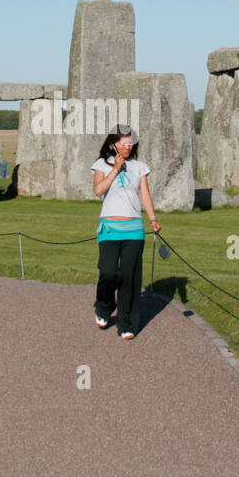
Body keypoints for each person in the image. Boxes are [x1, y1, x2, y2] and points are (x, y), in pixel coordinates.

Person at [91, 125, 161, 340]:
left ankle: (126, 323)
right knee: (109, 272)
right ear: (113, 144)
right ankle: (104, 306)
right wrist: (115, 168)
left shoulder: (140, 167)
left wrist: (153, 219)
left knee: (130, 278)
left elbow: (145, 195)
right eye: (124, 143)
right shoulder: (101, 164)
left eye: (131, 143)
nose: (128, 147)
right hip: (109, 228)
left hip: (133, 228)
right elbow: (98, 191)